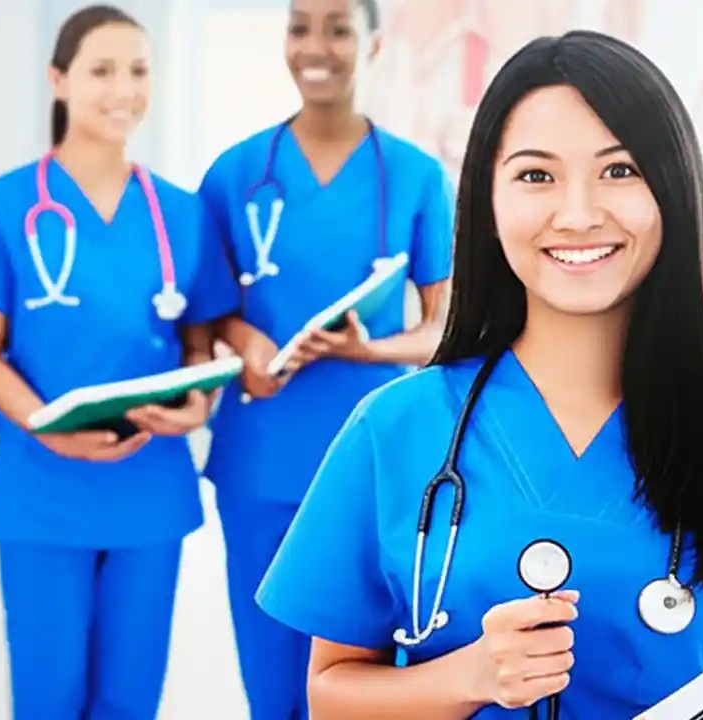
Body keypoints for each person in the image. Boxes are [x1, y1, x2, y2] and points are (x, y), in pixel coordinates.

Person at [254, 30, 703, 719]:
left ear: (671, 196)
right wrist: (470, 676)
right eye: (536, 175)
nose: (580, 213)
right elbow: (330, 695)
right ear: (488, 204)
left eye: (619, 171)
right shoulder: (395, 430)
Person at [0, 6, 239, 718]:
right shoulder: (5, 207)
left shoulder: (180, 213)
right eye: (102, 70)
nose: (122, 89)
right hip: (43, 492)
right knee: (47, 699)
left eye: (138, 71)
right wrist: (47, 428)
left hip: (149, 492)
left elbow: (199, 347)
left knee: (130, 702)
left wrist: (199, 406)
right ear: (58, 80)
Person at [199, 0, 455, 716]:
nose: (318, 45)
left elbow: (447, 328)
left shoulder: (415, 177)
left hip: (382, 467)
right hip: (263, 462)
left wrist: (368, 348)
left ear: (372, 44)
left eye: (339, 28)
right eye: (300, 26)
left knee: (380, 688)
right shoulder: (235, 174)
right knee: (273, 686)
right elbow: (206, 309)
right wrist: (241, 338)